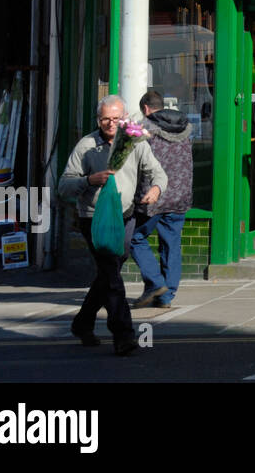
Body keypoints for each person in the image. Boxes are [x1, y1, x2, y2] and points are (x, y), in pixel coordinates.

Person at [58, 94, 167, 356]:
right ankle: (123, 335)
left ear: (125, 118)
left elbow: (158, 173)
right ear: (98, 119)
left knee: (108, 274)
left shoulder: (135, 141)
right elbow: (63, 186)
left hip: (125, 215)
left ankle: (82, 324)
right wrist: (88, 180)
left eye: (115, 118)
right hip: (94, 217)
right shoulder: (86, 145)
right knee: (112, 276)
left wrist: (155, 189)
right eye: (105, 118)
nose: (110, 123)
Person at [130, 91, 193, 310]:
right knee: (171, 245)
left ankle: (155, 283)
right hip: (180, 195)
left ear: (146, 108)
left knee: (134, 238)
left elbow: (136, 162)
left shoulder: (144, 127)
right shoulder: (184, 127)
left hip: (153, 195)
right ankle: (166, 297)